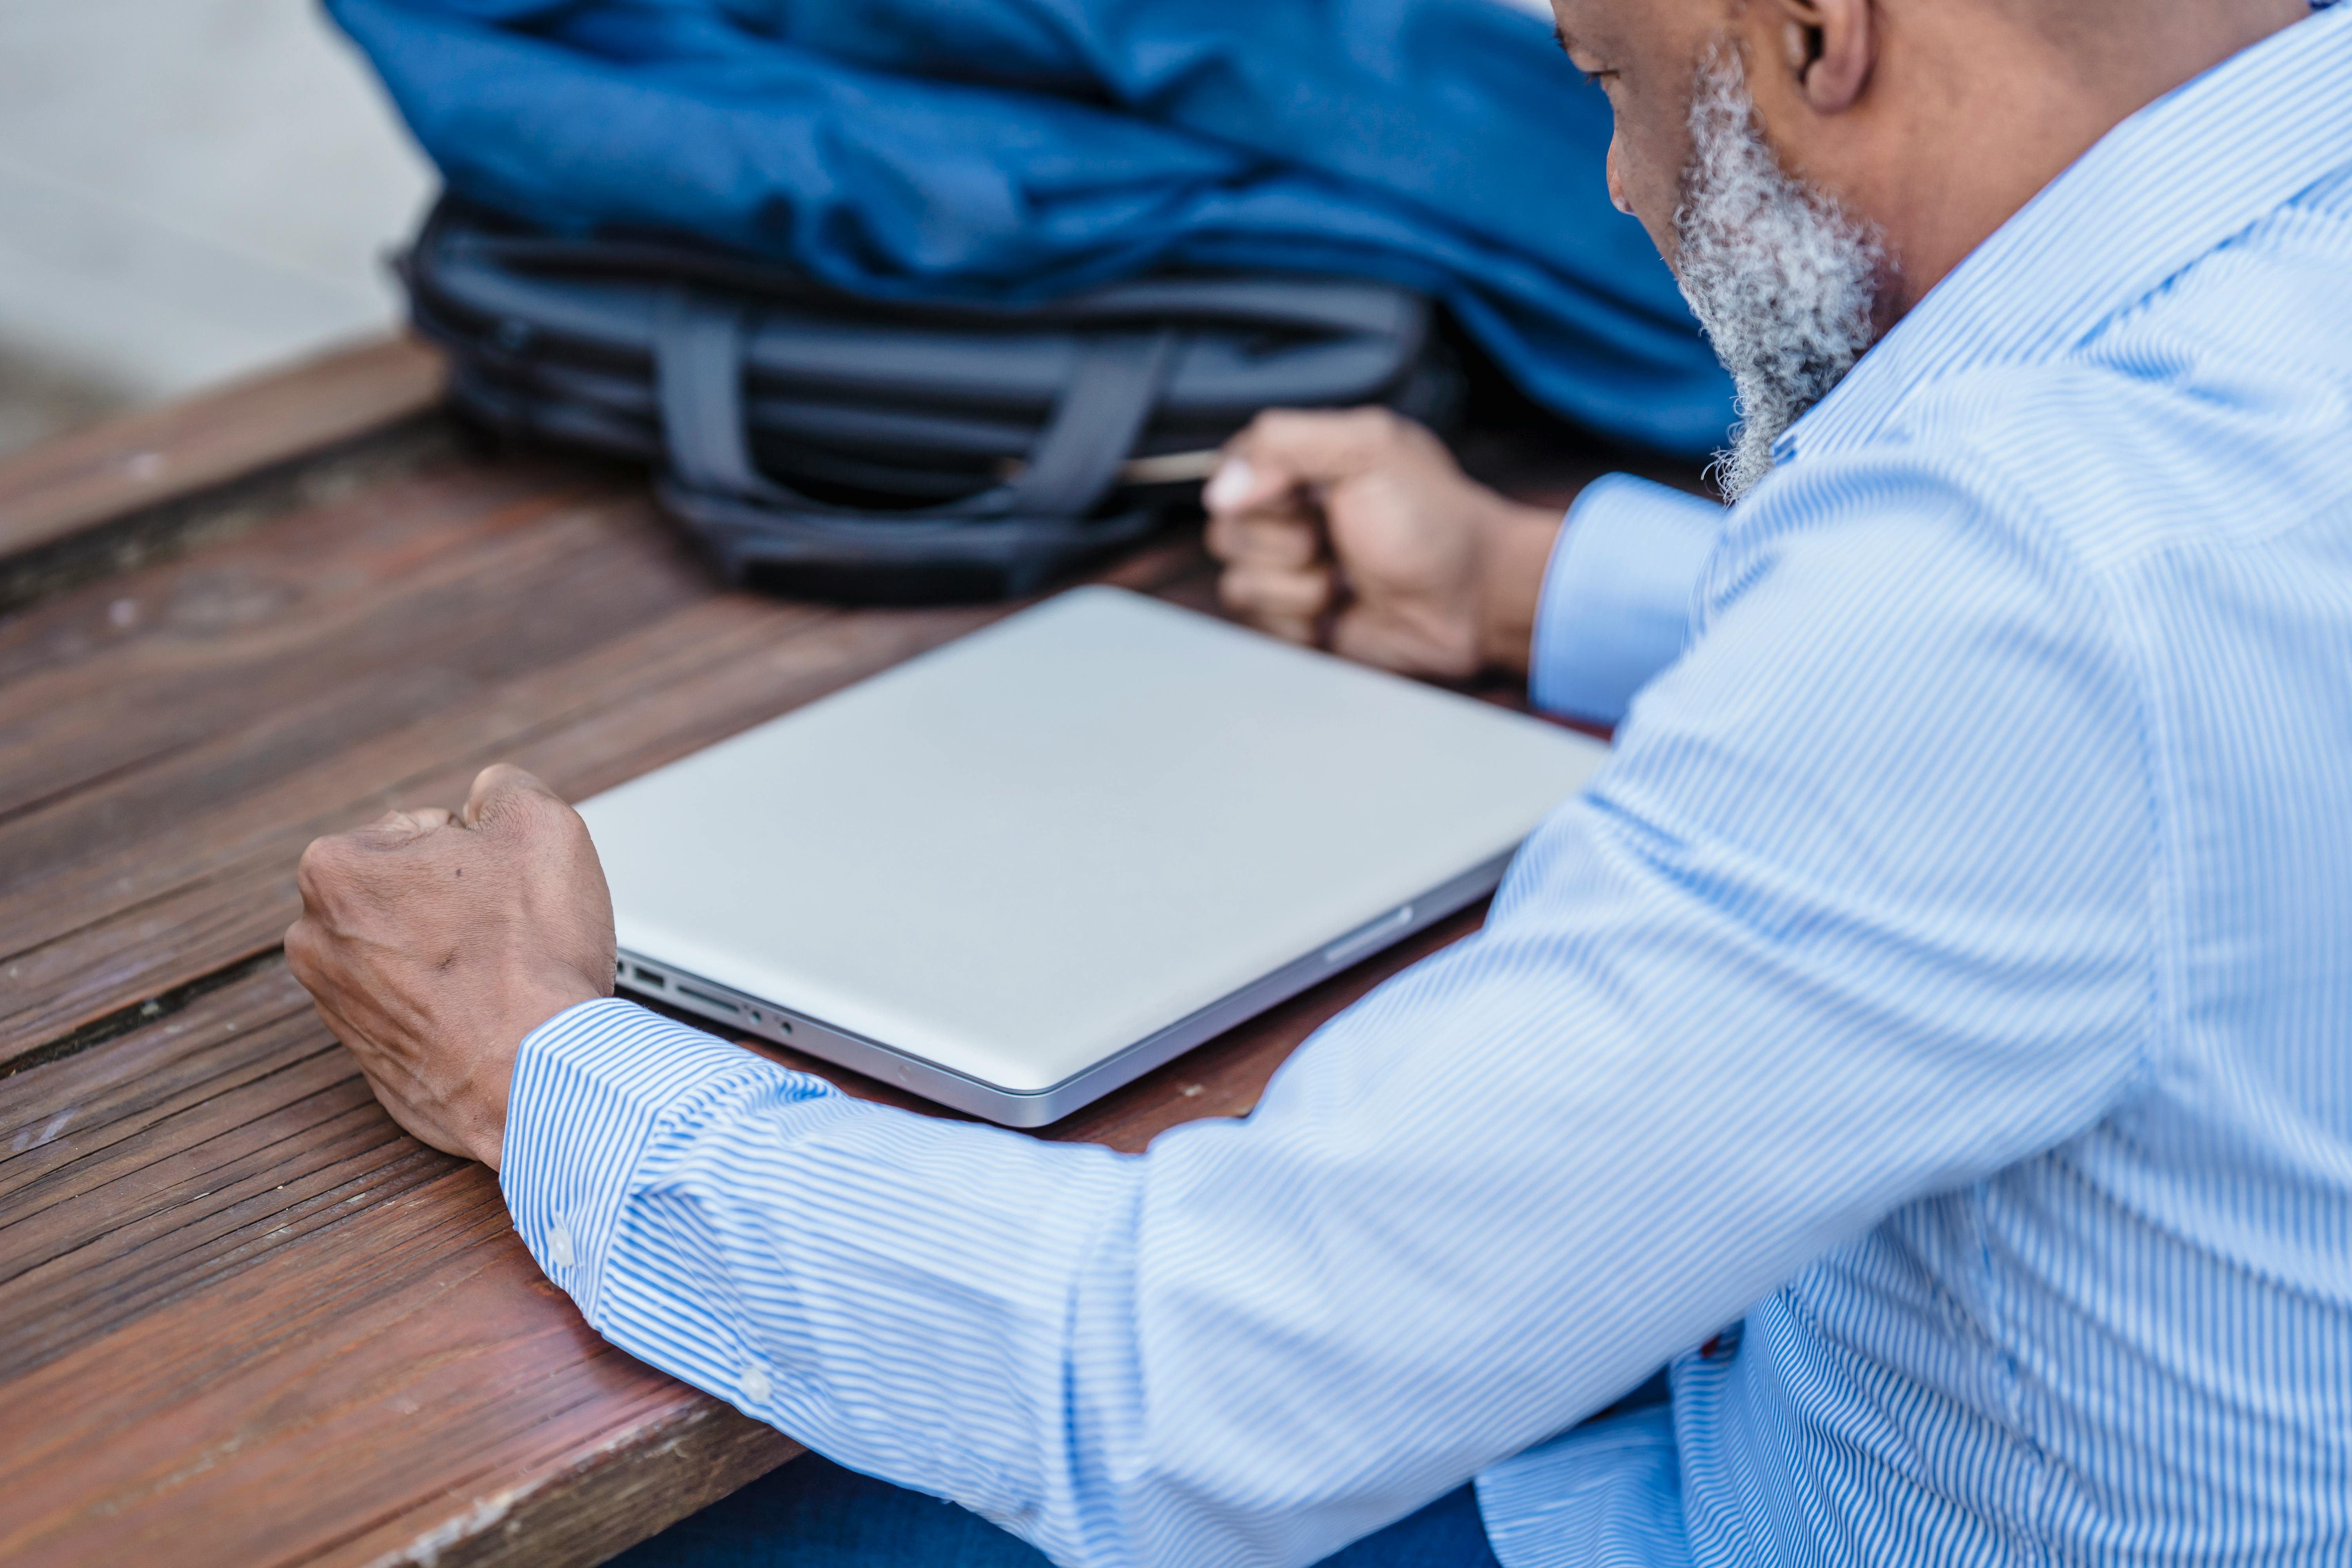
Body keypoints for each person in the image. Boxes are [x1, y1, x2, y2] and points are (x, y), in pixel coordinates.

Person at [284, 0, 2352, 1563]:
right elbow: (2163, 701)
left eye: (1608, 79)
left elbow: (1191, 1386)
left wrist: (537, 1060)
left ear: (1819, 28)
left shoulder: (2001, 599)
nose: (1622, 194)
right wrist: (1540, 584)